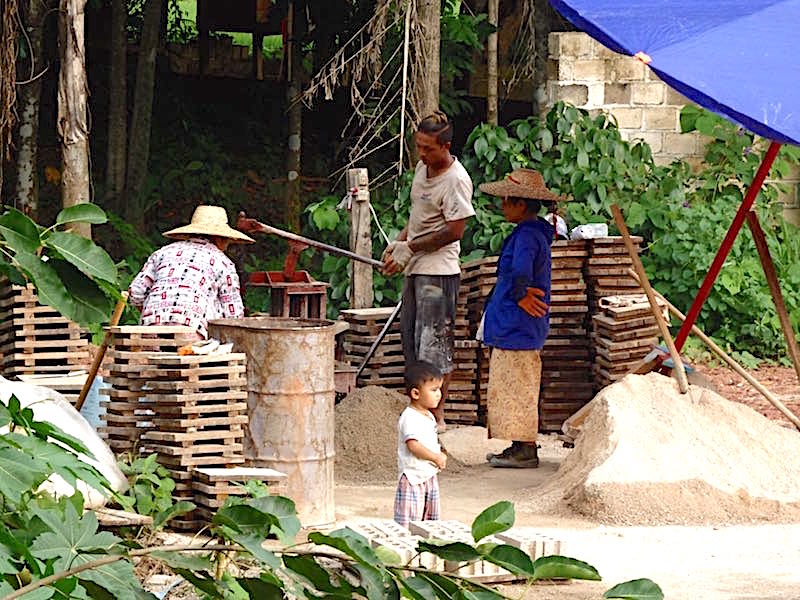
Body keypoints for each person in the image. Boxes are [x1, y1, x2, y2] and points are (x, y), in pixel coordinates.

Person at [382, 111, 475, 431]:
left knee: (433, 345)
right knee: (410, 340)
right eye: (418, 146)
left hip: (438, 272)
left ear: (446, 146)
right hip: (416, 268)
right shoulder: (422, 169)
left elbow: (454, 230)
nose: (421, 154)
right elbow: (418, 215)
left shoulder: (457, 180)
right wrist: (400, 242)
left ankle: (437, 416)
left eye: (428, 148)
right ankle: (418, 409)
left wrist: (412, 249)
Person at [478, 169, 566, 468]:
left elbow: (520, 271)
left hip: (517, 325)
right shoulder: (531, 232)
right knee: (516, 386)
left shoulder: (528, 235)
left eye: (506, 200)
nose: (502, 205)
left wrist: (519, 295)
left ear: (520, 204)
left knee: (518, 386)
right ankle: (519, 445)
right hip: (516, 324)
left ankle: (525, 449)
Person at [129, 205, 254, 340]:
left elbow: (136, 292)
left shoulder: (162, 253)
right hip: (192, 334)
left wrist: (156, 317)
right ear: (221, 239)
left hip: (150, 332)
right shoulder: (223, 262)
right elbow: (234, 316)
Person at [394, 362, 447, 528]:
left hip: (428, 475)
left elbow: (429, 439)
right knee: (409, 523)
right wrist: (435, 457)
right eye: (433, 390)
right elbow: (413, 446)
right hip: (413, 477)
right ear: (416, 393)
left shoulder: (429, 416)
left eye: (439, 389)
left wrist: (441, 453)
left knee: (430, 521)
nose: (438, 394)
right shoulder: (410, 417)